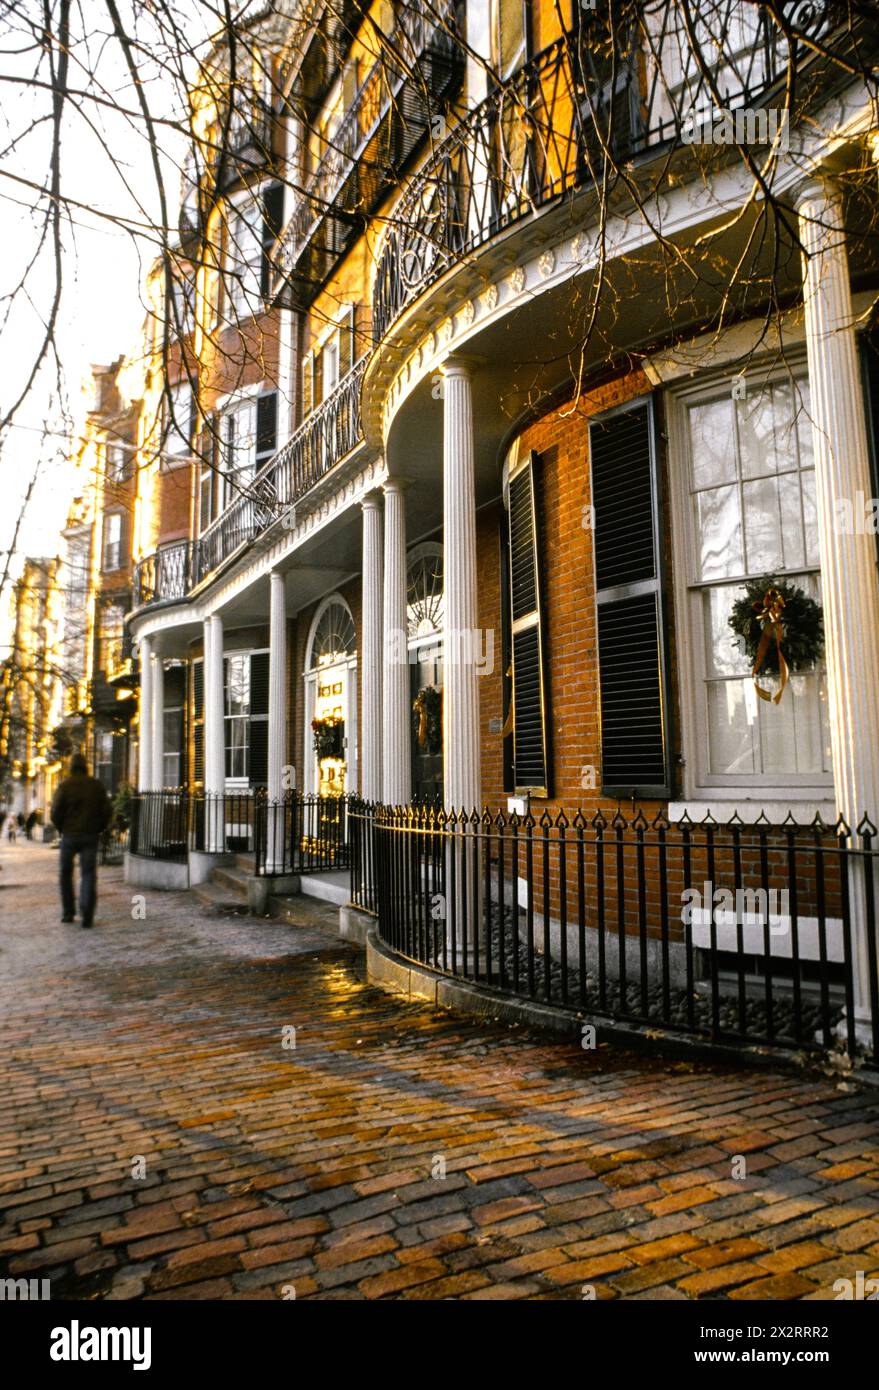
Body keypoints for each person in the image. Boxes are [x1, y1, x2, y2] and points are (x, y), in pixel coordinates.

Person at [50, 753, 112, 927]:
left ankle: (68, 912)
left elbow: (55, 812)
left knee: (65, 874)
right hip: (90, 835)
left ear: (71, 767)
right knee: (88, 874)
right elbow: (107, 810)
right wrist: (99, 827)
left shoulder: (64, 785)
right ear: (86, 766)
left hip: (69, 836)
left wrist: (62, 828)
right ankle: (87, 913)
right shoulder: (96, 786)